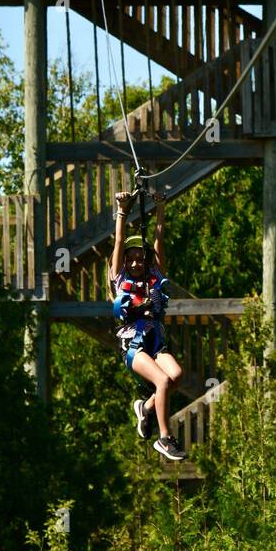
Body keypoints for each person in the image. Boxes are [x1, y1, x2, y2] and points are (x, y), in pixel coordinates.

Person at [109, 189, 186, 461]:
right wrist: (123, 209)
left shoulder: (154, 275)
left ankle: (147, 407)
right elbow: (119, 242)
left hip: (156, 342)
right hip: (133, 345)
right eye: (130, 259)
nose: (135, 262)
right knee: (162, 380)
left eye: (139, 258)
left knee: (176, 375)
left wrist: (161, 208)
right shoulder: (119, 279)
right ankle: (164, 438)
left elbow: (159, 239)